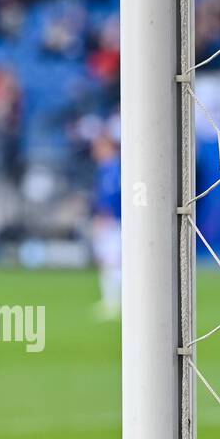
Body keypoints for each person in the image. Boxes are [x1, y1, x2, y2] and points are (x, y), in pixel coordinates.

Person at [90, 132, 121, 320]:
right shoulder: (105, 169)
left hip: (113, 222)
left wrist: (105, 215)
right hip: (108, 221)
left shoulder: (114, 168)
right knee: (106, 262)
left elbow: (111, 196)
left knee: (112, 262)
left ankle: (114, 303)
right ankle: (110, 301)